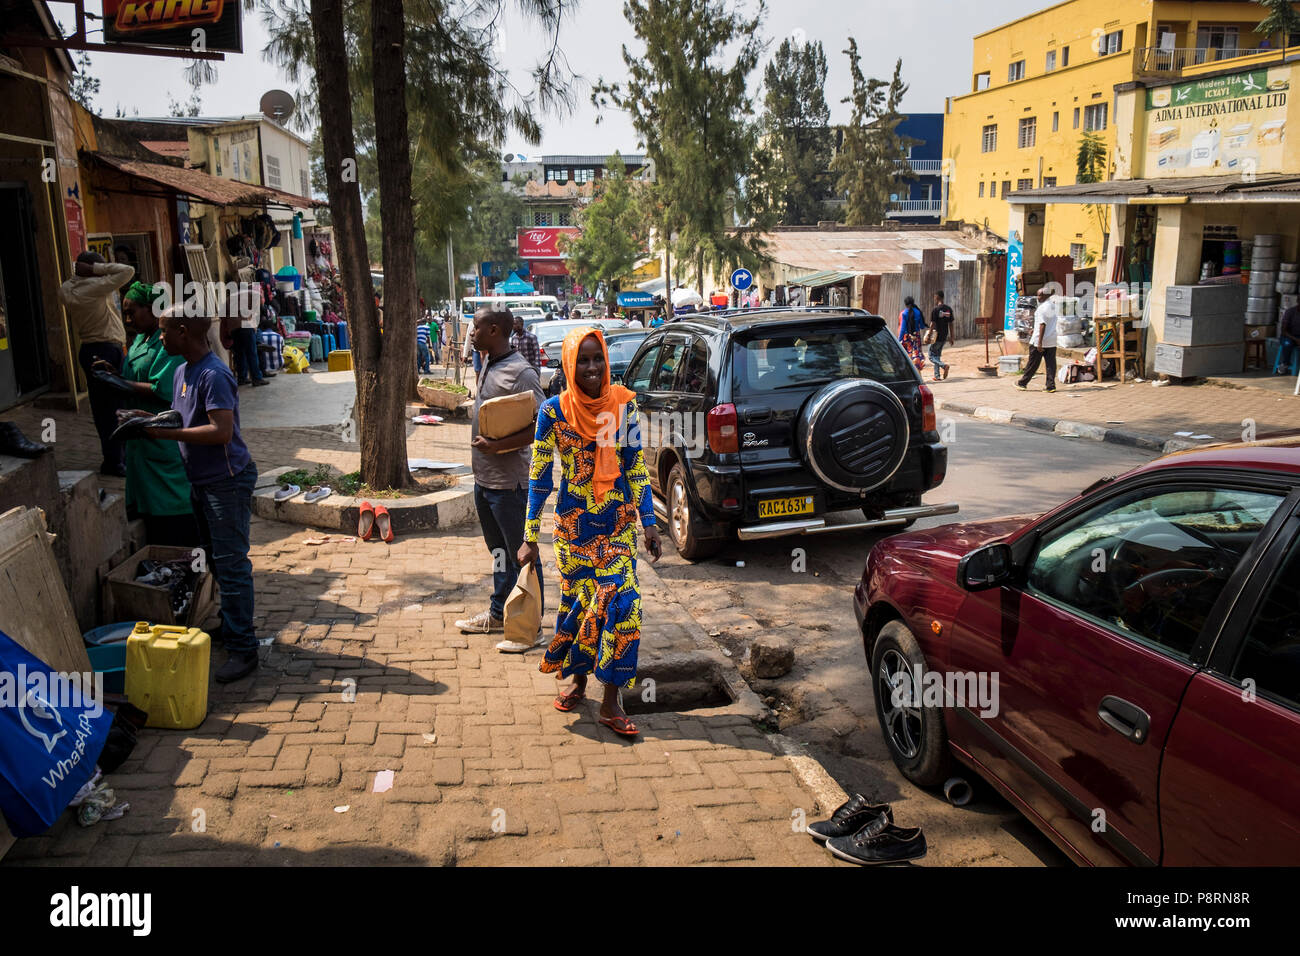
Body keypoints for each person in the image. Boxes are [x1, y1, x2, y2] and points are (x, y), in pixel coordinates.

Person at [517, 327, 661, 737]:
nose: (593, 367)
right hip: (572, 531)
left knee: (623, 603)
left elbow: (634, 466)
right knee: (581, 607)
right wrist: (530, 536)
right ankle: (578, 680)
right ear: (569, 363)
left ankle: (612, 701)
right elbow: (540, 477)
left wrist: (649, 523)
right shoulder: (552, 412)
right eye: (584, 359)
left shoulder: (623, 407)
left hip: (617, 527)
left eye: (598, 358)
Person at [137, 309, 260, 682]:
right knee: (217, 561)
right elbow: (182, 417)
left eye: (163, 332)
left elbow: (221, 432)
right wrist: (148, 419)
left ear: (183, 331)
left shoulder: (214, 374)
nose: (159, 339)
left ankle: (244, 649)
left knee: (232, 565)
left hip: (227, 481)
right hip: (202, 482)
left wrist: (165, 435)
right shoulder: (180, 372)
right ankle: (232, 626)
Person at [455, 307, 546, 642]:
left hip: (510, 486)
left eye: (475, 327)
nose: (471, 332)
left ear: (493, 330)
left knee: (523, 556)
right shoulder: (489, 362)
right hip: (485, 481)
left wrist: (499, 446)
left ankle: (530, 626)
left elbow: (541, 425)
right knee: (498, 554)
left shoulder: (521, 373)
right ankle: (498, 614)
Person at [113, 286, 199, 547]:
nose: (128, 320)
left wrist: (119, 383)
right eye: (124, 314)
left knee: (171, 507)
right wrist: (115, 375)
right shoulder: (140, 339)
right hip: (141, 437)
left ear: (152, 309)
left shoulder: (168, 343)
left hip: (161, 435)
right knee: (147, 511)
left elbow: (162, 389)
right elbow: (132, 371)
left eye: (132, 313)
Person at [58, 251, 135, 475]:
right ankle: (114, 462)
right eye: (99, 268)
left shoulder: (69, 288)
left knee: (107, 408)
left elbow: (68, 286)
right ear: (90, 269)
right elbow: (127, 271)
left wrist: (86, 271)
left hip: (94, 349)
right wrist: (98, 270)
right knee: (112, 409)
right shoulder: (94, 288)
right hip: (104, 350)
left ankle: (115, 458)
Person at [1016, 288, 1060, 393]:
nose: (1038, 297)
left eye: (1040, 295)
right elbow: (1047, 324)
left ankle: (1022, 383)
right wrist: (1034, 330)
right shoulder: (1054, 306)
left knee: (1032, 363)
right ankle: (1050, 386)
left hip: (1039, 341)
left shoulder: (1042, 308)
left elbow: (1043, 325)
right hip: (1051, 340)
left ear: (1045, 296)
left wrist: (1039, 343)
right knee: (1051, 364)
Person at [231, 270, 267, 387]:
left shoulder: (230, 297)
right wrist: (254, 327)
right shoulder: (253, 295)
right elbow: (256, 312)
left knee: (239, 353)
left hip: (234, 328)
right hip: (246, 326)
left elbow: (224, 315)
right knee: (252, 353)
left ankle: (242, 378)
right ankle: (256, 378)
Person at [929, 290, 955, 382]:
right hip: (944, 336)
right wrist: (952, 337)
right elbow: (951, 324)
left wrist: (928, 334)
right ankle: (937, 376)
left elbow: (932, 323)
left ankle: (944, 366)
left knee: (931, 356)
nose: (934, 299)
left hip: (936, 336)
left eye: (934, 297)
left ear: (937, 297)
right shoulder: (948, 309)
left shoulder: (935, 310)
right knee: (937, 355)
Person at [898, 295, 927, 371]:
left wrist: (899, 340)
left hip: (907, 337)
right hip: (916, 336)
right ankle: (917, 371)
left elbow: (903, 328)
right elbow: (922, 326)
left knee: (907, 355)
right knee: (916, 355)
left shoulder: (904, 313)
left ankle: (909, 372)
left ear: (905, 304)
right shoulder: (918, 312)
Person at [1277, 304, 1300, 373]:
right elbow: (1283, 331)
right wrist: (1296, 339)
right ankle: (1285, 363)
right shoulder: (1290, 312)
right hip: (1288, 336)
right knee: (1287, 344)